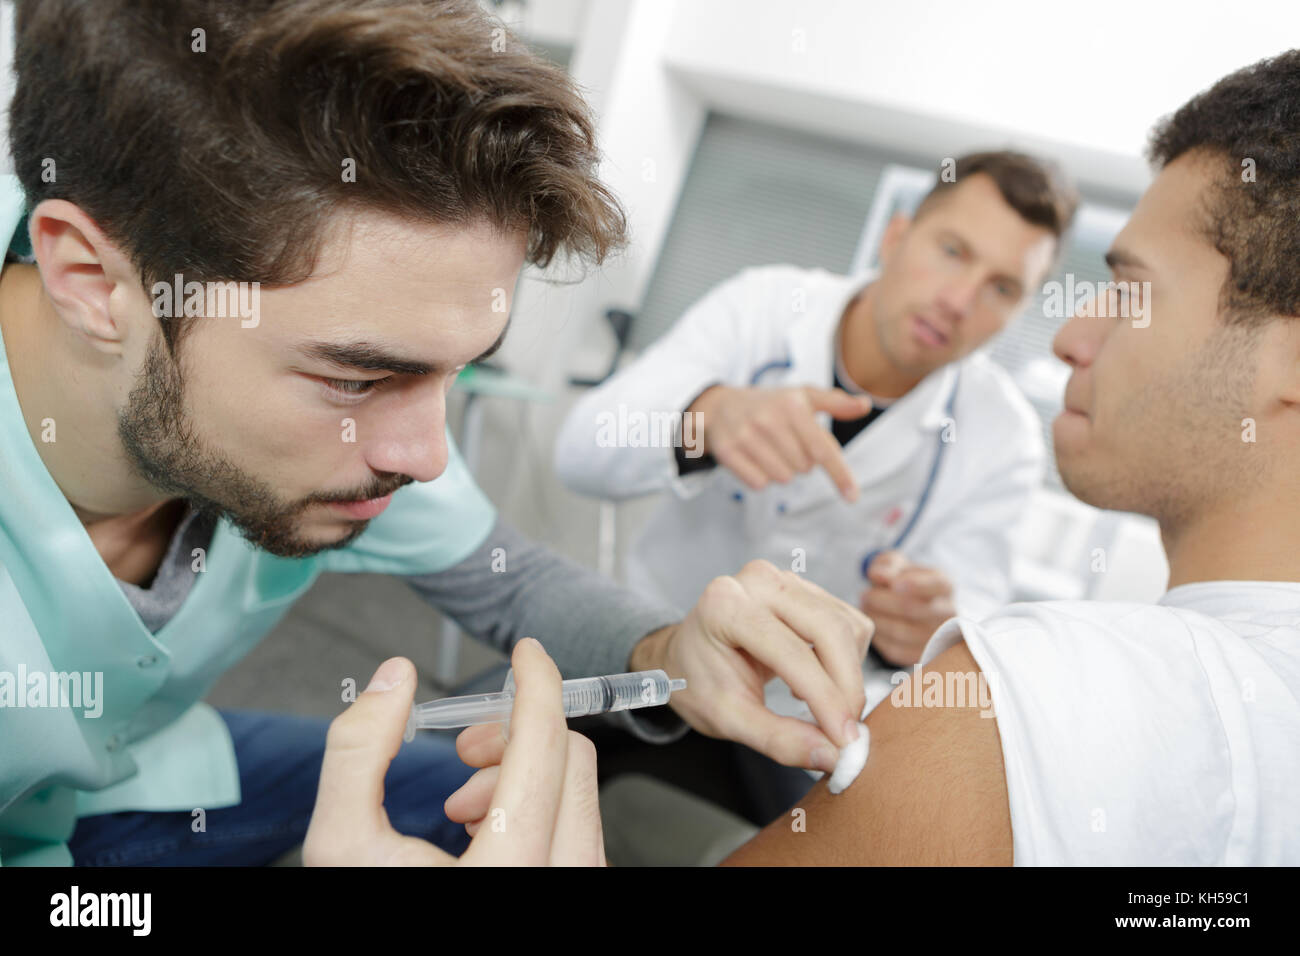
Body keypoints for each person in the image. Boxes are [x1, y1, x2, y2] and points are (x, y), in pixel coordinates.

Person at [0, 0, 873, 867]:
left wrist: (669, 651)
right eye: (357, 379)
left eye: (454, 372)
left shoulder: (323, 392)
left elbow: (510, 581)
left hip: (136, 769)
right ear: (91, 280)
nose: (424, 457)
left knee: (473, 801)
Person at [555, 151, 1076, 673]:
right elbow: (579, 454)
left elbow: (973, 614)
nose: (960, 301)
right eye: (952, 251)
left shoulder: (1006, 438)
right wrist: (707, 419)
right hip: (652, 655)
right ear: (895, 237)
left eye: (1002, 288)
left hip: (801, 703)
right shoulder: (762, 307)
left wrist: (938, 628)